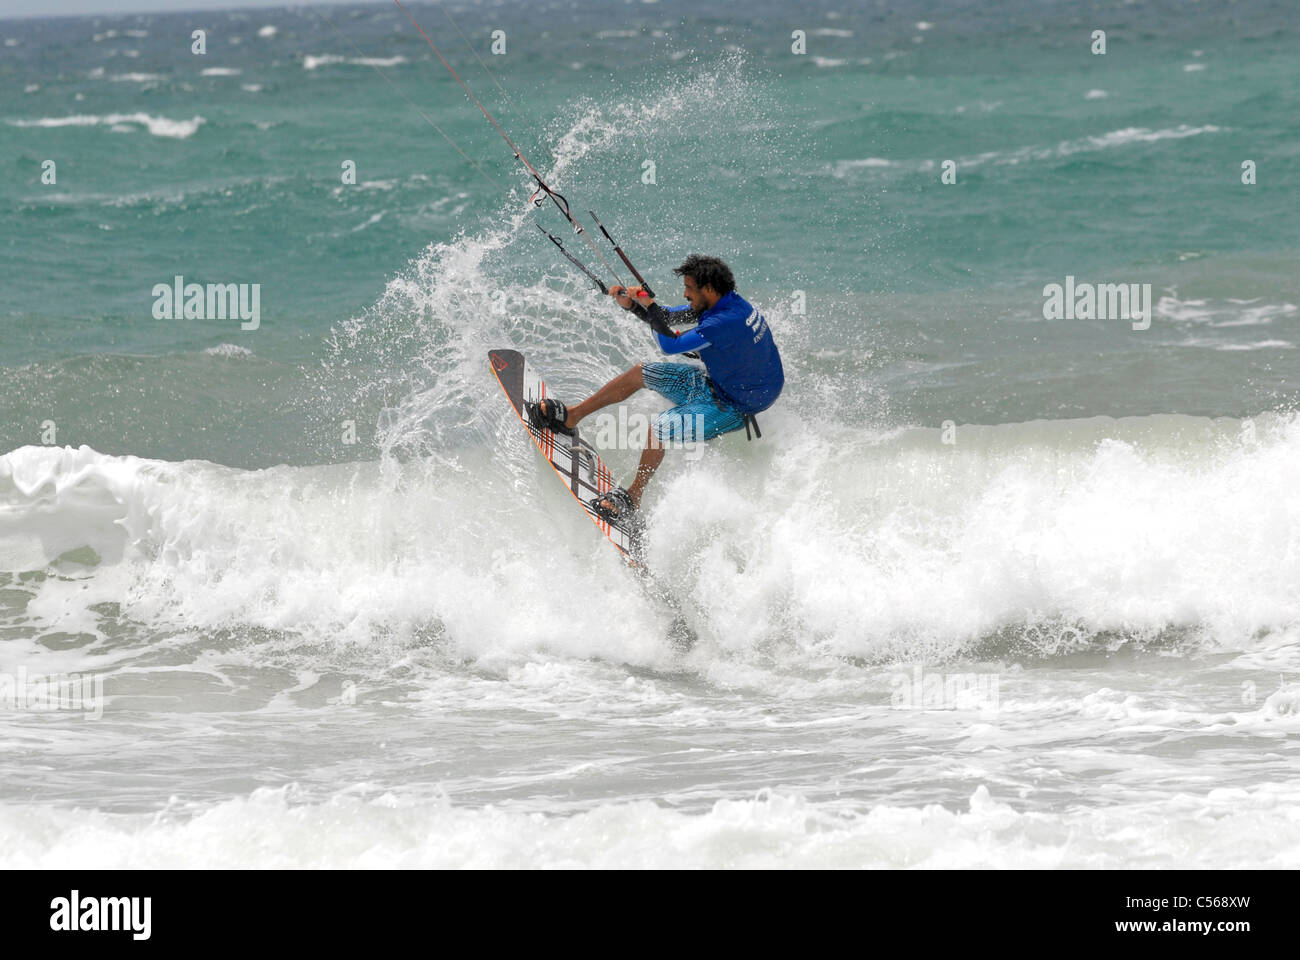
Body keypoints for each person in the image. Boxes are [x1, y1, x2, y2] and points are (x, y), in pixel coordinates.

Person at [525, 254, 784, 525]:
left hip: (733, 407)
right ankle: (572, 416)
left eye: (689, 289)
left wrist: (648, 306)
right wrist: (635, 306)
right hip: (717, 385)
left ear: (708, 289)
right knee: (641, 372)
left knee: (659, 427)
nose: (685, 294)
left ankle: (633, 497)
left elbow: (668, 345)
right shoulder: (725, 304)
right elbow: (669, 318)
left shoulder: (725, 322)